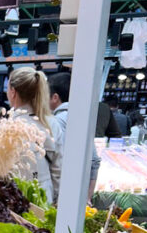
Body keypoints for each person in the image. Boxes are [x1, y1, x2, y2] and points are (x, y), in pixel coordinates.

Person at [6, 66, 61, 203]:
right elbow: (59, 167)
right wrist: (56, 199)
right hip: (44, 195)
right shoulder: (52, 123)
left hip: (12, 197)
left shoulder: (7, 127)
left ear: (13, 92)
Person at [49, 72, 102, 201]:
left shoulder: (56, 122)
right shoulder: (81, 119)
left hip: (63, 197)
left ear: (55, 97)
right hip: (78, 195)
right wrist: (87, 197)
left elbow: (57, 163)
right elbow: (94, 160)